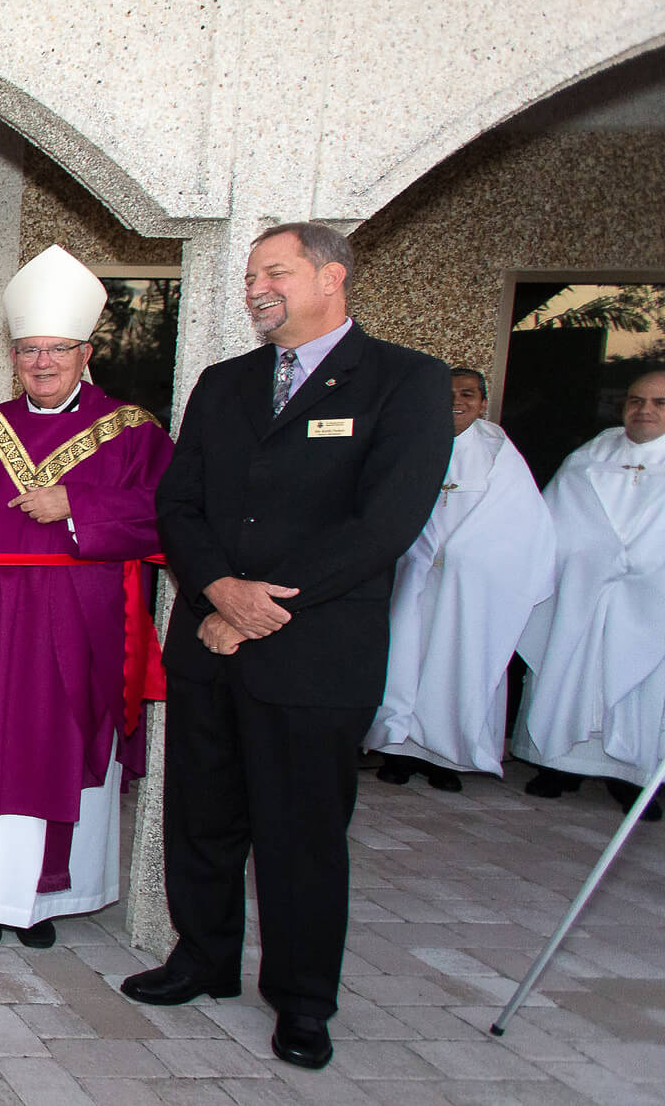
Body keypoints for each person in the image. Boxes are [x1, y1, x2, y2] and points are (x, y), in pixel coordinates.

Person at [128, 223, 450, 1072]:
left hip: (313, 656)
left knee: (301, 834)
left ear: (332, 277)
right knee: (201, 816)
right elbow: (180, 504)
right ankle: (202, 957)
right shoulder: (224, 382)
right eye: (249, 275)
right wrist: (217, 591)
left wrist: (255, 607)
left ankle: (303, 1001)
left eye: (275, 271)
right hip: (208, 638)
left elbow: (386, 521)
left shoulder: (405, 383)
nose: (255, 287)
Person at [0, 247, 170, 947]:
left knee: (55, 754)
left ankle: (42, 902)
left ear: (86, 352)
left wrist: (75, 505)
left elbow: (168, 513)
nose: (42, 363)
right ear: (12, 356)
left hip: (76, 637)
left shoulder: (132, 432)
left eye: (56, 349)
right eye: (28, 350)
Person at [365, 368, 556, 792]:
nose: (457, 401)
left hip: (472, 587)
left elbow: (522, 522)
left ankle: (446, 757)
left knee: (456, 663)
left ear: (483, 402)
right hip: (412, 575)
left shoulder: (499, 453)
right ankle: (396, 748)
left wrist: (464, 553)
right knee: (402, 660)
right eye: (447, 393)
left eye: (468, 394)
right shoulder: (411, 442)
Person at [512, 369, 665, 817]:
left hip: (651, 603)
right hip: (581, 594)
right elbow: (556, 521)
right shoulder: (590, 456)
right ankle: (558, 764)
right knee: (569, 670)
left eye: (659, 403)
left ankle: (634, 777)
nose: (644, 410)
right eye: (636, 401)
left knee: (644, 681)